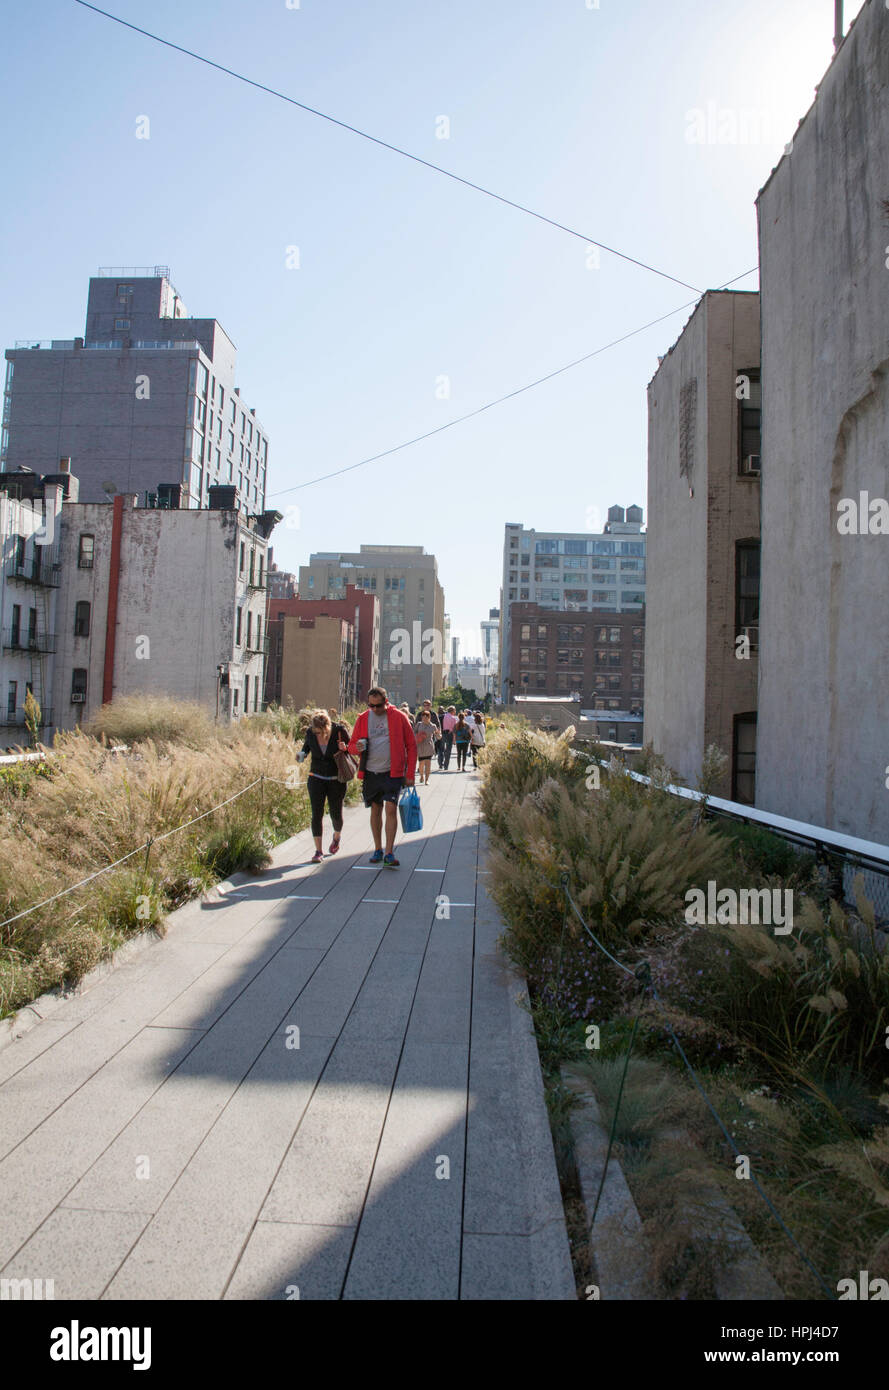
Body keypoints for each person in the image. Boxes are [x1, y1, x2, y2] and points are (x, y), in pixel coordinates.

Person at [348, 686, 417, 868]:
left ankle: (389, 852)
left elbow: (411, 745)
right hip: (371, 772)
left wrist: (409, 774)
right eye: (371, 706)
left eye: (378, 706)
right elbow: (351, 746)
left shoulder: (399, 717)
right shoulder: (363, 718)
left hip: (392, 772)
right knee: (375, 810)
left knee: (391, 809)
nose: (375, 710)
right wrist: (358, 748)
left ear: (386, 702)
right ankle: (378, 849)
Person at [297, 709, 352, 864]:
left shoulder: (339, 731)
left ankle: (336, 836)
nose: (319, 735)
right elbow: (305, 749)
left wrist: (345, 748)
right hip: (316, 777)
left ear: (328, 727)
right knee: (316, 813)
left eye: (322, 732)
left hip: (336, 779)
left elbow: (351, 747)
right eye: (316, 732)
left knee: (336, 813)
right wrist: (301, 755)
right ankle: (318, 851)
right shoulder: (310, 733)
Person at [415, 709, 436, 784]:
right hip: (420, 746)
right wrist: (418, 737)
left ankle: (427, 780)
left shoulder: (433, 726)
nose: (424, 719)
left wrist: (439, 735)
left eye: (426, 717)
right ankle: (421, 776)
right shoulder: (419, 724)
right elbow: (414, 733)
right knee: (421, 764)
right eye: (423, 717)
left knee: (428, 764)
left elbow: (437, 735)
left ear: (429, 717)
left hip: (429, 746)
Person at [439, 705, 457, 769]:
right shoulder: (453, 718)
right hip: (450, 734)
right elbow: (454, 729)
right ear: (452, 711)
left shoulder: (444, 716)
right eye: (454, 710)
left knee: (442, 749)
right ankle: (446, 765)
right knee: (448, 750)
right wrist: (454, 739)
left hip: (443, 733)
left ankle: (440, 763)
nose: (455, 711)